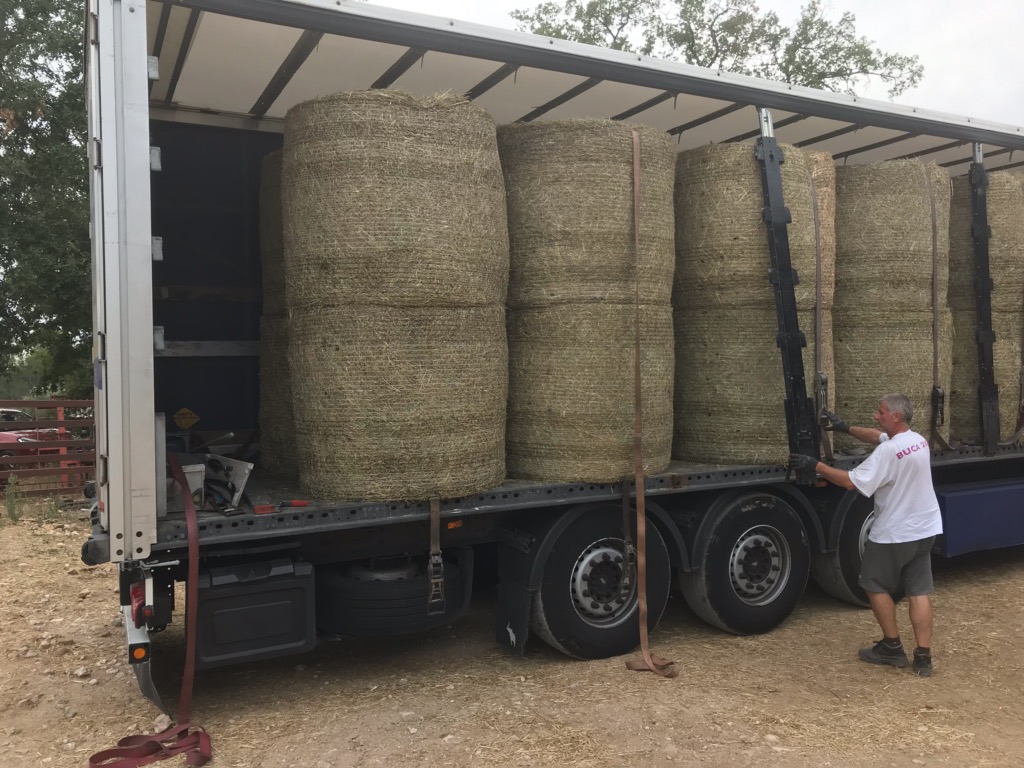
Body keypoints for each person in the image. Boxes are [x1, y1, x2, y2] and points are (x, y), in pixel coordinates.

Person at [790, 393, 942, 677]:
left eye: (881, 411)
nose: (876, 415)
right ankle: (923, 657)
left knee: (873, 584)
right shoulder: (918, 441)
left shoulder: (887, 454)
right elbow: (877, 436)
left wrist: (816, 466)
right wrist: (844, 428)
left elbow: (850, 483)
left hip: (895, 532)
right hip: (925, 528)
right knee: (919, 591)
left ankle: (892, 647)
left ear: (895, 416)